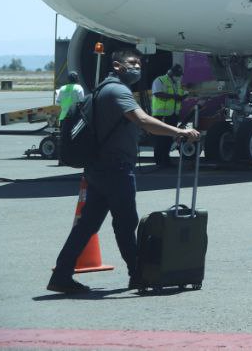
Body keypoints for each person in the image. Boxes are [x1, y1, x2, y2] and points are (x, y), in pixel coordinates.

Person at [47, 50, 201, 294]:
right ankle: (138, 275)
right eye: (131, 63)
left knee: (87, 225)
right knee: (126, 222)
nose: (137, 67)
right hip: (116, 168)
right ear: (117, 66)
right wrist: (178, 132)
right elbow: (142, 120)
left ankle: (62, 274)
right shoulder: (118, 91)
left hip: (98, 168)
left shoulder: (100, 90)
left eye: (139, 64)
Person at [149, 63, 187, 167]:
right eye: (176, 74)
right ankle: (159, 160)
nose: (178, 76)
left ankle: (166, 159)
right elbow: (157, 93)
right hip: (161, 114)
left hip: (173, 114)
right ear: (170, 72)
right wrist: (174, 96)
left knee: (169, 138)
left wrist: (183, 96)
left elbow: (180, 94)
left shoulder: (177, 83)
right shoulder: (160, 80)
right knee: (160, 138)